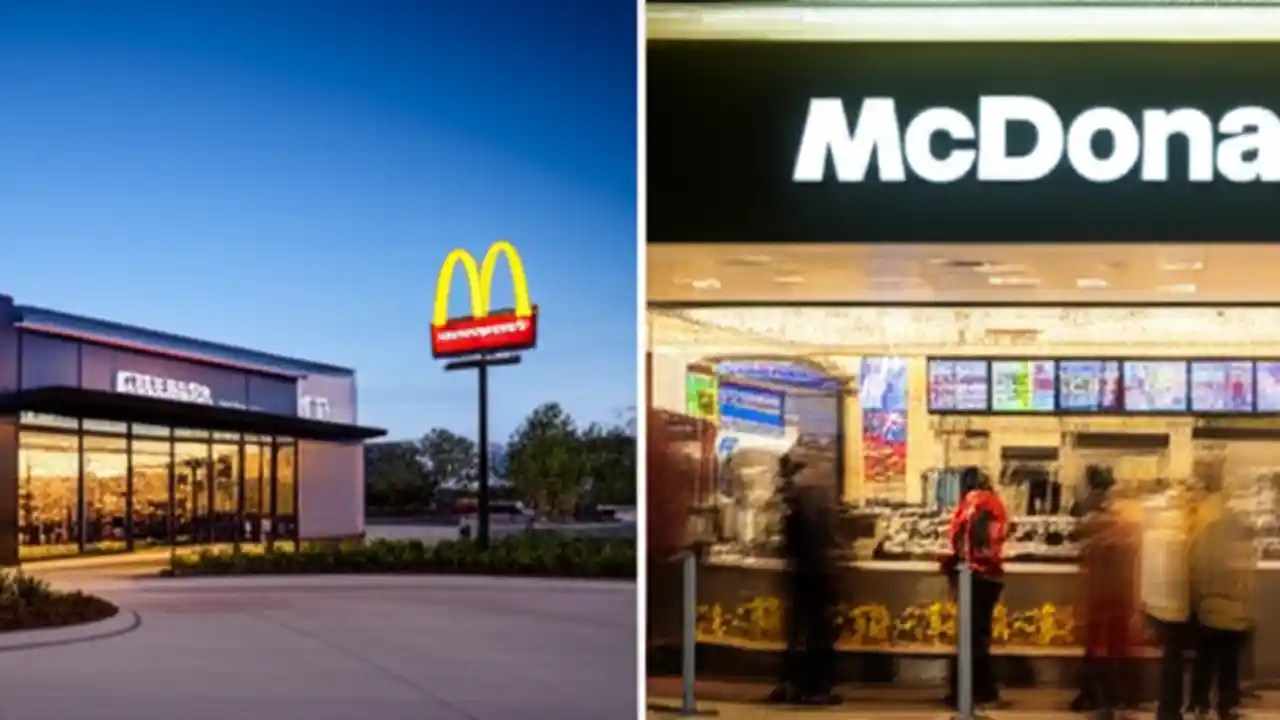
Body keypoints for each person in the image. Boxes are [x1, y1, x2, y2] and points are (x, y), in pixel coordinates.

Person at [769, 450, 840, 706]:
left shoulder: (799, 494)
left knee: (800, 631)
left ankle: (796, 684)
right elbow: (822, 536)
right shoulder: (814, 493)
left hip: (805, 572)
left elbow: (798, 537)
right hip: (816, 573)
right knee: (816, 632)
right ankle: (814, 687)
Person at [1188, 460, 1255, 720]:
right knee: (1229, 662)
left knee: (1205, 659)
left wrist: (1197, 599)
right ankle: (1226, 706)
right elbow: (1247, 578)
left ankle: (1199, 703)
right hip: (1235, 611)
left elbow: (1196, 569)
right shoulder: (1243, 541)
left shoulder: (1205, 534)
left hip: (1210, 608)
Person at [1071, 475, 1142, 719]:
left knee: (1096, 648)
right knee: (1116, 648)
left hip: (1098, 598)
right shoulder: (1127, 532)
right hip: (1119, 598)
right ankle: (1117, 697)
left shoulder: (1092, 530)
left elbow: (1083, 553)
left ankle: (1092, 696)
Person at [941, 466, 1007, 709]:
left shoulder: (971, 504)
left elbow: (962, 539)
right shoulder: (993, 504)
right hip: (987, 577)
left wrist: (960, 561)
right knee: (979, 636)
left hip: (971, 576)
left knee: (969, 636)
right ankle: (981, 691)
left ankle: (963, 692)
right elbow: (990, 541)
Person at [1140, 476, 1197, 720]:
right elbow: (1191, 571)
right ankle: (1182, 706)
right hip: (1180, 603)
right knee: (1180, 660)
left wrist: (1144, 601)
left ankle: (1166, 707)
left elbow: (1145, 567)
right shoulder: (1186, 533)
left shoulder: (1152, 530)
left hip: (1156, 604)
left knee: (1169, 659)